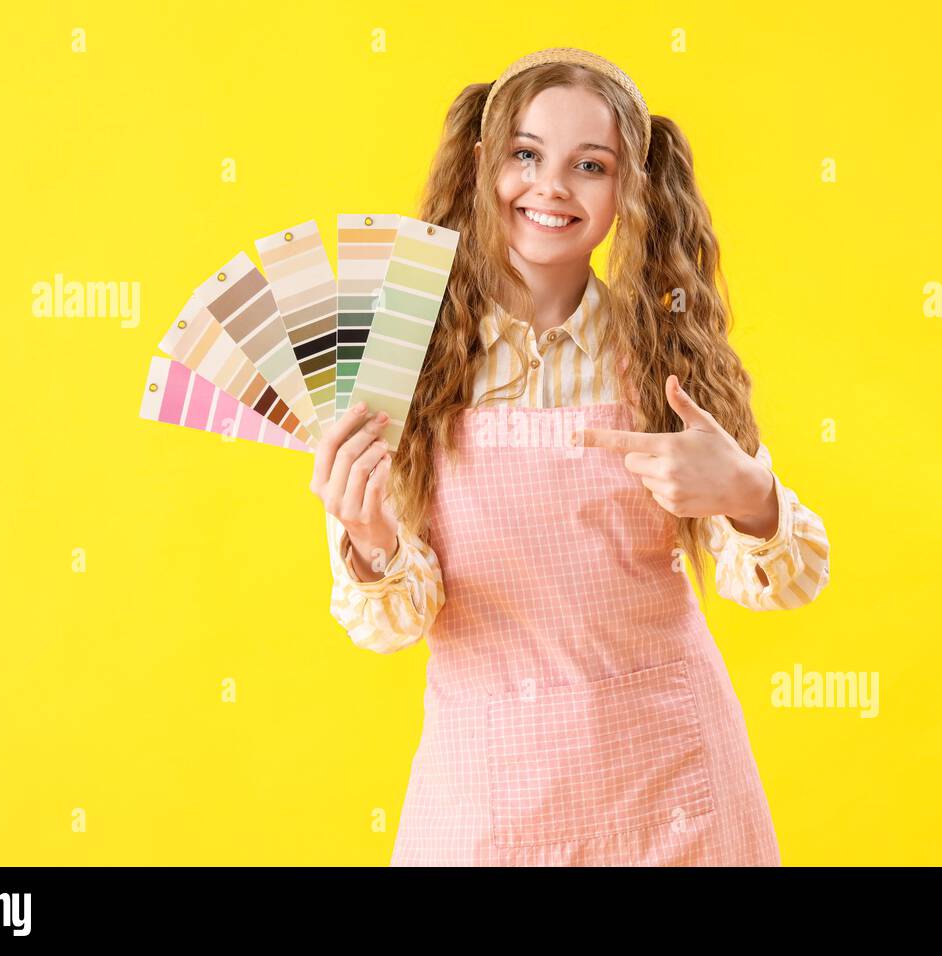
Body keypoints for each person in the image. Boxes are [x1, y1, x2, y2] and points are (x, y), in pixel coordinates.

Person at [311, 47, 830, 865]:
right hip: (486, 788)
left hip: (668, 784)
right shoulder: (401, 356)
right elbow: (392, 628)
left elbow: (784, 582)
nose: (551, 187)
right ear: (485, 165)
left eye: (590, 165)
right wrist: (370, 541)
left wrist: (749, 495)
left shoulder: (668, 352)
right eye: (526, 153)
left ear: (630, 188)